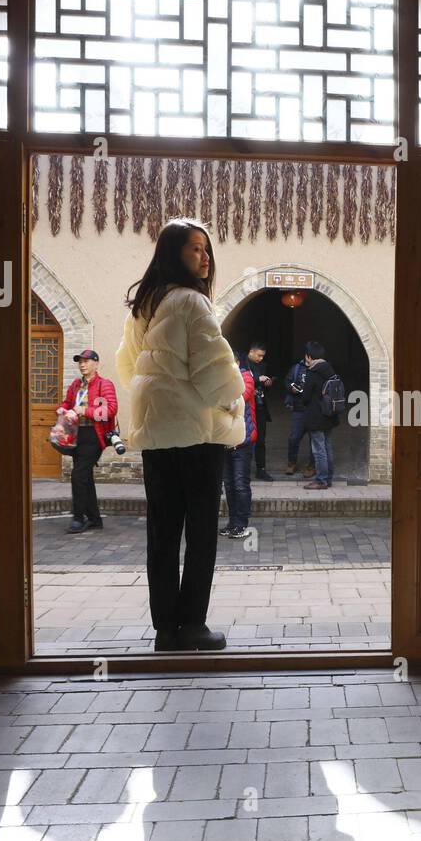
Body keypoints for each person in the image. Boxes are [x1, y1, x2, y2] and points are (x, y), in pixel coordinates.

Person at [115, 218, 247, 652]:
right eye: (195, 249)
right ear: (175, 254)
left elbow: (128, 366)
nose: (205, 257)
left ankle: (165, 629)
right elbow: (219, 376)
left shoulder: (146, 304)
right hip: (197, 434)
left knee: (163, 531)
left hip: (157, 436)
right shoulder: (192, 302)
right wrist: (235, 402)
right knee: (202, 530)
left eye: (206, 249)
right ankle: (193, 625)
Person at [62, 349, 118, 534]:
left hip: (94, 435)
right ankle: (94, 519)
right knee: (84, 477)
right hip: (77, 435)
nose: (82, 364)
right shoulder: (76, 385)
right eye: (80, 362)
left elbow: (109, 410)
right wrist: (62, 410)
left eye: (86, 361)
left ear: (96, 363)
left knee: (77, 476)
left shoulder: (103, 384)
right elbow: (67, 403)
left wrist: (83, 411)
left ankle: (79, 518)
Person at [221, 356, 258, 538]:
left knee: (240, 484)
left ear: (237, 362)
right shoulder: (223, 378)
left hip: (243, 441)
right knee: (229, 484)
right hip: (226, 441)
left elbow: (238, 399)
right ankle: (232, 522)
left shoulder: (246, 377)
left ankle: (242, 524)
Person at [298, 340, 339, 490]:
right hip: (329, 414)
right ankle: (328, 478)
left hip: (316, 416)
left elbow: (306, 396)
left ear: (309, 356)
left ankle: (321, 480)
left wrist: (303, 398)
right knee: (327, 446)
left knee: (319, 449)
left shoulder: (313, 371)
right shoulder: (330, 370)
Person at [237, 341, 276, 481]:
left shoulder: (262, 366)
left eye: (263, 356)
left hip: (260, 406)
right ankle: (242, 471)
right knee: (244, 439)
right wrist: (256, 379)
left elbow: (262, 388)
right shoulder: (240, 363)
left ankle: (261, 469)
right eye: (259, 355)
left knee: (260, 440)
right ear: (251, 351)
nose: (261, 359)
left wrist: (267, 384)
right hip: (245, 408)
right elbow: (239, 381)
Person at [283, 356, 314, 477]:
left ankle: (312, 465)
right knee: (294, 438)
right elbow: (287, 381)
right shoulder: (297, 368)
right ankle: (292, 463)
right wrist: (291, 388)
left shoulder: (319, 368)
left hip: (314, 410)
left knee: (314, 440)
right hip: (298, 409)